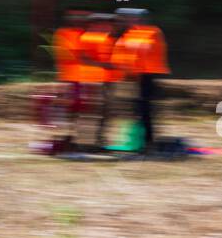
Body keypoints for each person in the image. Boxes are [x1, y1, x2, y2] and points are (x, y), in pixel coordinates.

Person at [111, 8, 170, 153]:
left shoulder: (150, 32)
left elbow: (143, 51)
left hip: (147, 76)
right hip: (135, 77)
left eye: (128, 18)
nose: (126, 21)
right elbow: (120, 54)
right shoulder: (130, 34)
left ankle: (148, 142)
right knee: (139, 110)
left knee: (145, 110)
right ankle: (143, 141)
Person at [77, 13, 121, 147]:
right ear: (95, 24)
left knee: (105, 112)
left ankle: (99, 140)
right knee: (92, 112)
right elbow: (83, 59)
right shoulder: (88, 38)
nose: (111, 27)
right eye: (107, 24)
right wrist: (104, 65)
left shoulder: (109, 38)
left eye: (111, 24)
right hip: (92, 80)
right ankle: (86, 142)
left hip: (108, 80)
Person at [51, 10, 91, 144]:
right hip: (69, 77)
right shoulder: (63, 33)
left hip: (86, 77)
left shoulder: (86, 33)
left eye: (81, 16)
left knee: (79, 108)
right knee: (67, 106)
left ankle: (72, 135)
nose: (78, 19)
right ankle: (64, 135)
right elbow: (70, 54)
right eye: (75, 16)